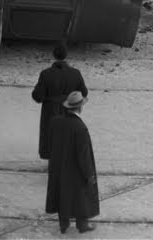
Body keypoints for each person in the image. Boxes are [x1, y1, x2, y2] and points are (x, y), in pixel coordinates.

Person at [46, 91, 99, 234]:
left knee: (62, 194)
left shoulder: (55, 122)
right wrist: (89, 174)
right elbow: (84, 155)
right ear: (80, 107)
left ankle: (63, 225)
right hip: (75, 170)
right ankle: (82, 225)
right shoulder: (80, 128)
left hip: (58, 166)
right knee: (81, 195)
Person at [31, 45, 88, 160]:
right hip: (70, 108)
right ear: (66, 56)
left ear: (54, 56)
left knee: (51, 136)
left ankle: (53, 163)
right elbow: (84, 92)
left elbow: (38, 97)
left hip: (50, 111)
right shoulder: (75, 73)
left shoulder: (46, 74)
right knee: (68, 136)